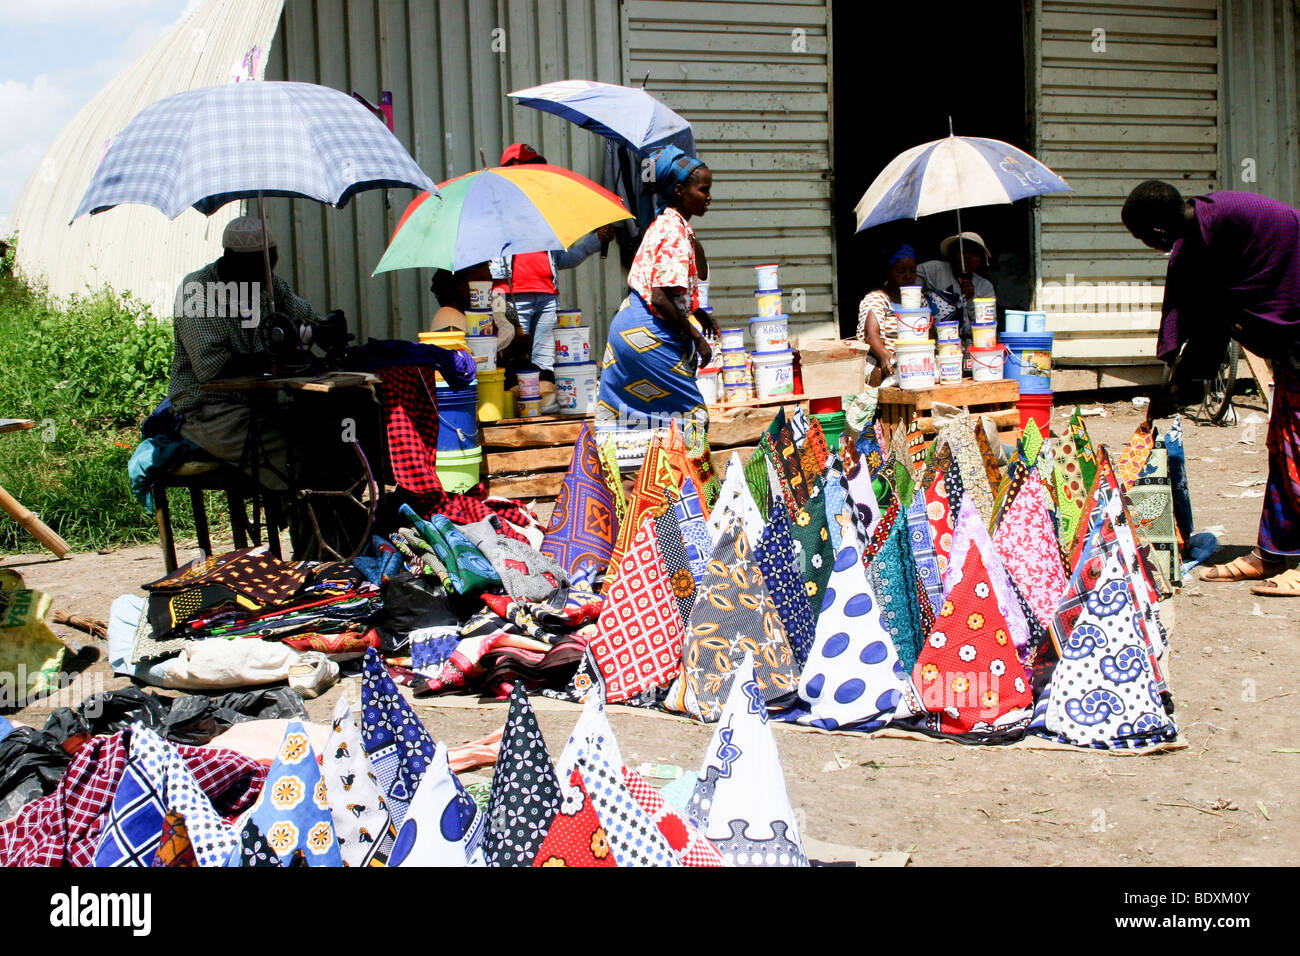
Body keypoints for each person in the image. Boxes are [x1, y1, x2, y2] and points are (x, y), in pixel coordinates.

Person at [1122, 180, 1300, 595]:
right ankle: (1273, 553)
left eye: (1143, 238)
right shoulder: (1201, 233)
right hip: (1290, 350)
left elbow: (1213, 323)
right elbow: (1211, 318)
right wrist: (1179, 386)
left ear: (1157, 232)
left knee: (1297, 451)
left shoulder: (1226, 225)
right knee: (1284, 448)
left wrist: (1180, 387)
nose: (1149, 246)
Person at [168, 216, 376, 558]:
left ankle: (337, 547)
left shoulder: (268, 285)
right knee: (302, 459)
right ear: (232, 259)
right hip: (209, 411)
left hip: (258, 405)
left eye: (270, 264)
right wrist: (279, 354)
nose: (266, 275)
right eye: (259, 266)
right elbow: (214, 369)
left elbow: (306, 320)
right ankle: (316, 560)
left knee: (331, 442)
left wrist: (325, 329)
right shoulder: (199, 292)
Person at [595, 145, 717, 463]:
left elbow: (661, 287)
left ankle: (630, 495)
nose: (708, 196)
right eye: (703, 189)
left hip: (627, 328)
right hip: (649, 334)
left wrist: (697, 312)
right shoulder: (675, 233)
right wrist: (697, 338)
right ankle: (700, 500)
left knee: (632, 421)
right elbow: (661, 297)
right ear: (679, 190)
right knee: (692, 418)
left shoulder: (664, 223)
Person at [489, 143, 614, 379]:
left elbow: (562, 260)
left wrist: (594, 242)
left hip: (547, 298)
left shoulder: (545, 211)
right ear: (512, 168)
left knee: (544, 368)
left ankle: (538, 411)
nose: (535, 173)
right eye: (529, 166)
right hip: (510, 297)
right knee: (514, 362)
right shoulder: (496, 209)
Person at [917, 231, 996, 346]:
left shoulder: (985, 287)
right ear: (952, 253)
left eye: (973, 253)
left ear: (979, 259)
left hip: (973, 345)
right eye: (963, 251)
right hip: (937, 342)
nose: (967, 256)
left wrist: (971, 298)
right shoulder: (933, 270)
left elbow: (988, 327)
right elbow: (906, 280)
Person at [857, 244, 920, 382]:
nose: (908, 275)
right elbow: (871, 336)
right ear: (889, 272)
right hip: (879, 358)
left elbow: (928, 332)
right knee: (883, 372)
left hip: (913, 360)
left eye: (912, 270)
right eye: (901, 271)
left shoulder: (920, 300)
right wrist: (886, 356)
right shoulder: (877, 299)